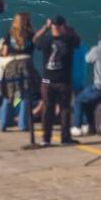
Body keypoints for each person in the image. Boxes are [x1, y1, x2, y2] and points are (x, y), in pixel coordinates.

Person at [33, 15, 81, 146]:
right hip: (64, 81)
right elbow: (78, 41)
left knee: (48, 109)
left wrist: (45, 28)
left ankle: (45, 139)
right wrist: (69, 30)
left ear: (52, 26)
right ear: (63, 26)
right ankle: (65, 139)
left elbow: (34, 40)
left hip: (47, 81)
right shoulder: (69, 40)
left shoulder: (46, 40)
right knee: (65, 109)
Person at [0, 13, 37, 132]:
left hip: (11, 66)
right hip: (26, 66)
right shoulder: (31, 35)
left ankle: (3, 123)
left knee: (8, 94)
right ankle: (23, 125)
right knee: (24, 95)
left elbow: (4, 52)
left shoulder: (10, 35)